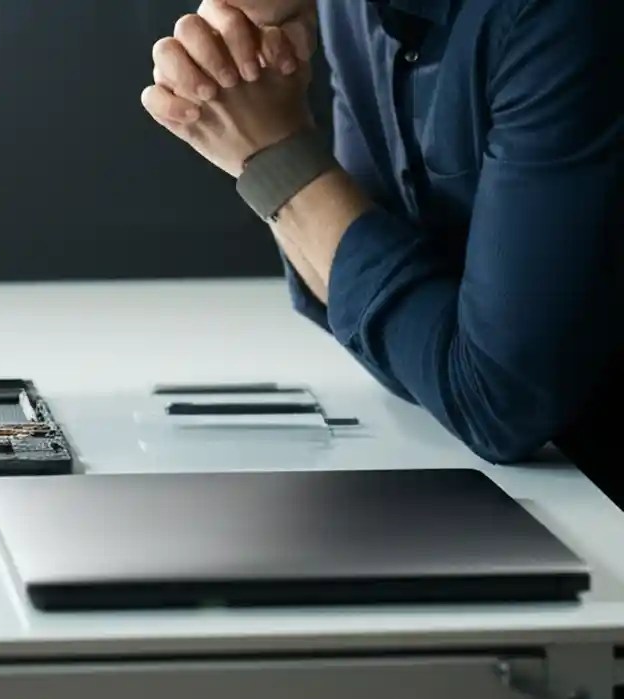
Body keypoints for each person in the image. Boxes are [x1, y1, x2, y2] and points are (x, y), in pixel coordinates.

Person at [141, 0, 622, 496]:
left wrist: (271, 158)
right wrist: (251, 90)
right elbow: (365, 313)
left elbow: (497, 402)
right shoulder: (348, 9)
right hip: (530, 496)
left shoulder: (552, 17)